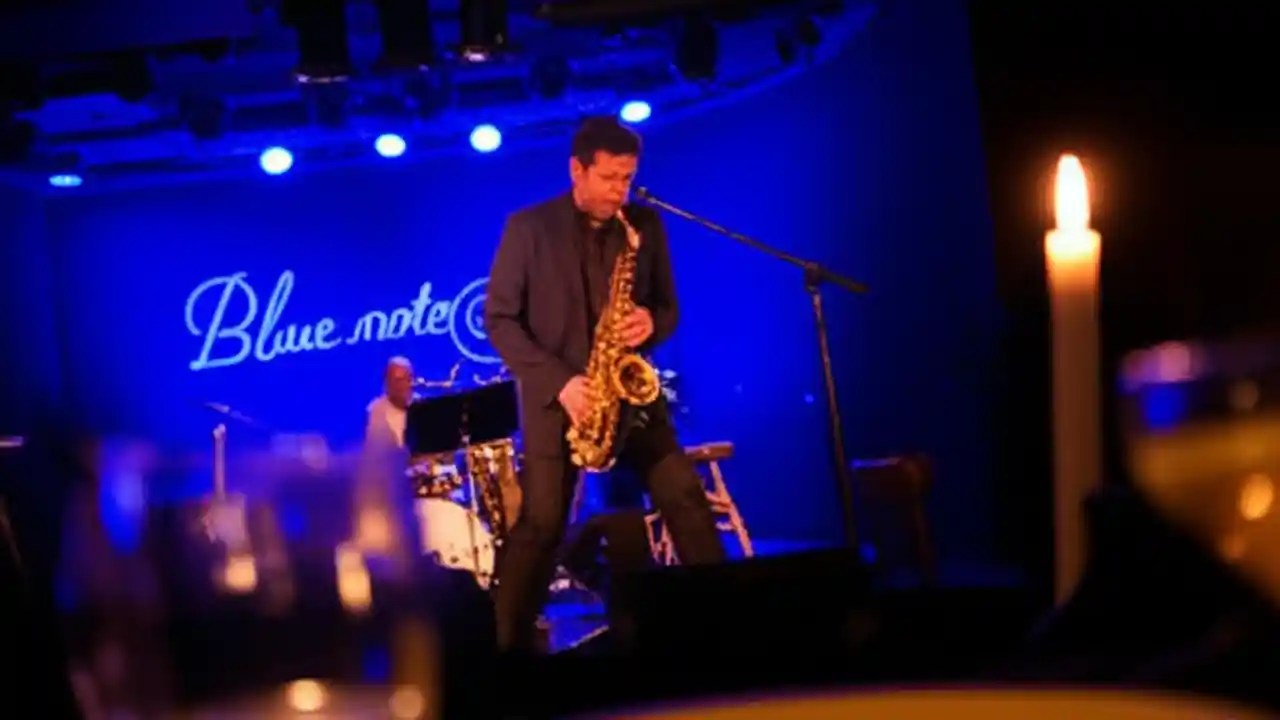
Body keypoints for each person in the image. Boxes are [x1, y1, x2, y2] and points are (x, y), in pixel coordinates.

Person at [484, 115, 725, 653]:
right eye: (611, 178)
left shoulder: (644, 226)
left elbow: (667, 307)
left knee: (684, 495)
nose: (622, 191)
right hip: (559, 401)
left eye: (629, 178)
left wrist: (649, 322)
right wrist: (561, 383)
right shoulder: (528, 229)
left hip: (628, 393)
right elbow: (498, 320)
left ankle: (723, 616)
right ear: (577, 170)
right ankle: (506, 646)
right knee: (542, 524)